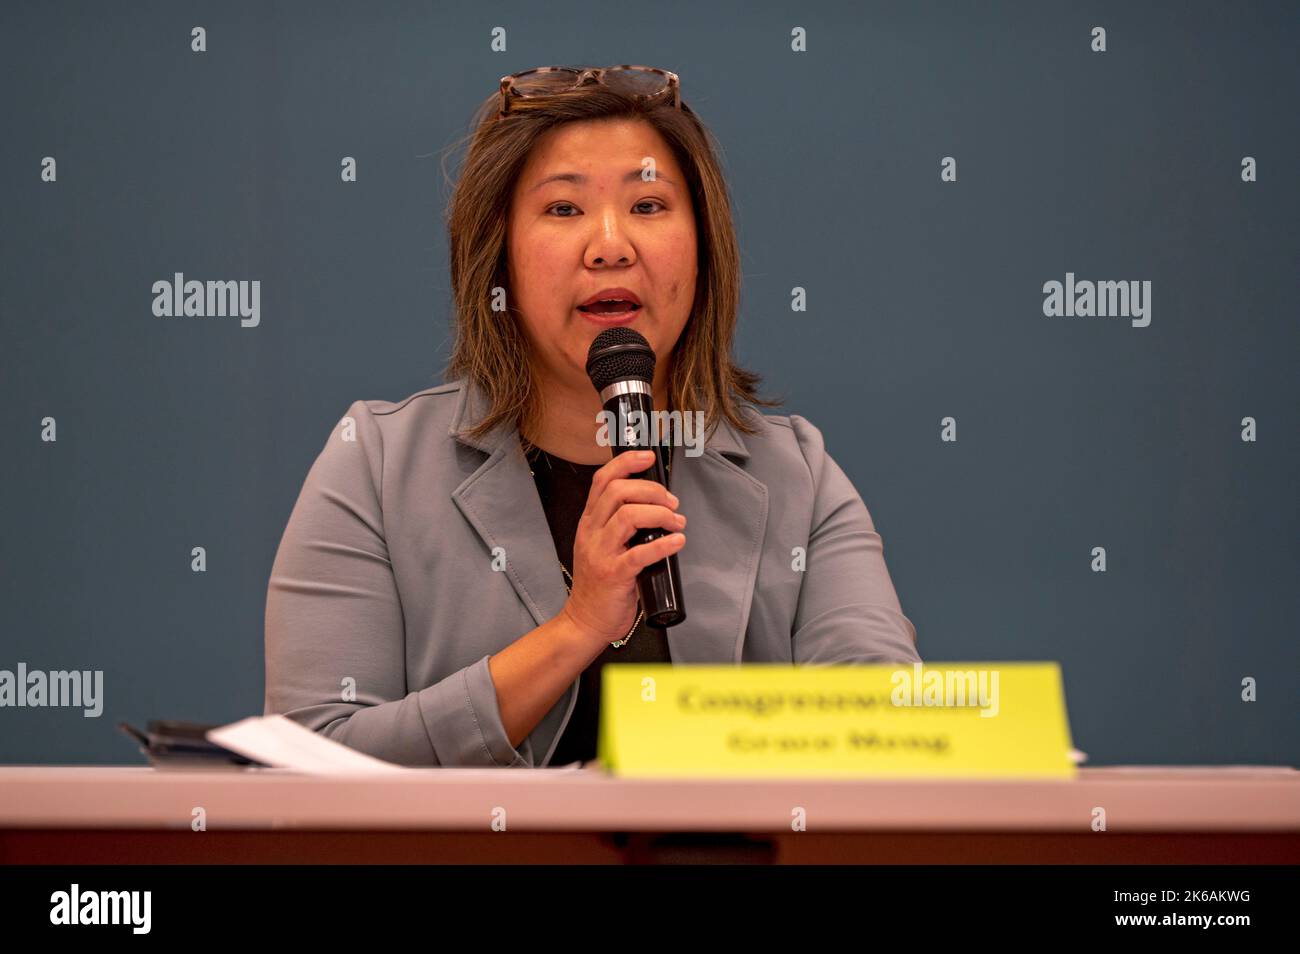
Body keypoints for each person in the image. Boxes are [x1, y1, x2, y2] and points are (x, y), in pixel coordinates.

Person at [263, 65, 921, 768]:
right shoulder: (378, 465)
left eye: (647, 206)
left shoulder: (795, 473)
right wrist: (576, 629)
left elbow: (885, 723)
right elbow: (310, 759)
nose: (611, 245)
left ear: (703, 248)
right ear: (500, 255)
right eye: (564, 210)